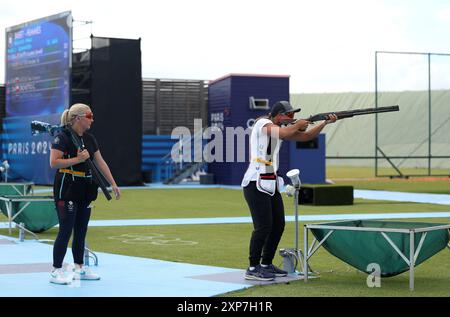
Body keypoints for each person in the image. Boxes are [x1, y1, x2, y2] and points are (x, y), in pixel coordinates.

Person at [241, 101, 337, 281]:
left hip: (270, 183)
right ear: (277, 115)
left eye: (293, 116)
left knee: (278, 225)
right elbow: (286, 132)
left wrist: (324, 123)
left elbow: (307, 137)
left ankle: (266, 264)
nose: (291, 118)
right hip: (255, 182)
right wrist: (299, 124)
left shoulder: (279, 128)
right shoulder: (263, 124)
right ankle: (252, 268)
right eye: (288, 115)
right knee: (263, 227)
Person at [49, 103, 121, 285]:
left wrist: (112, 183)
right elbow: (54, 162)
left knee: (81, 231)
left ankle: (79, 267)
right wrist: (78, 159)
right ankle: (56, 270)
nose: (92, 119)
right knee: (66, 230)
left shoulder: (90, 139)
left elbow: (100, 161)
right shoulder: (62, 137)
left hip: (85, 188)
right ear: (79, 118)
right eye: (90, 116)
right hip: (67, 188)